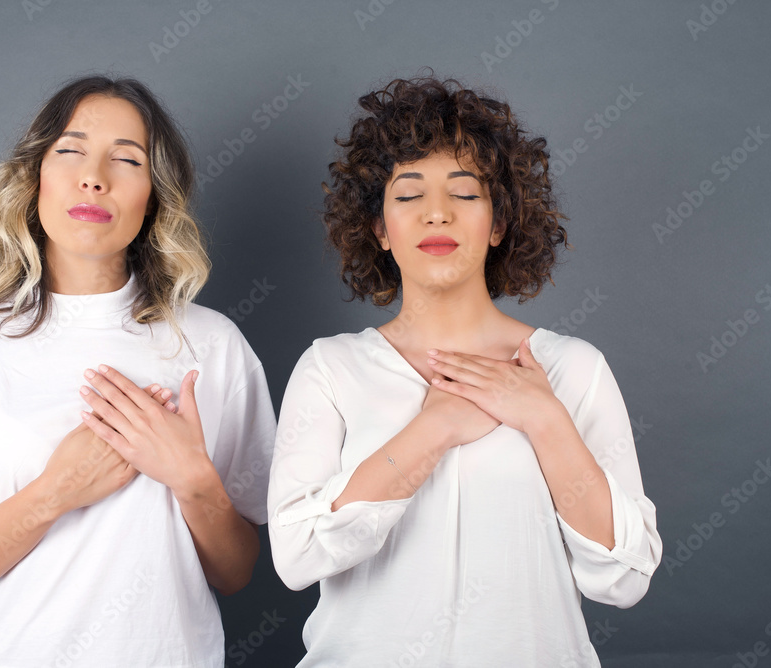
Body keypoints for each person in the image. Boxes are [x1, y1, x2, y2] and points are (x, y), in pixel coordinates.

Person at [0, 75, 276, 667]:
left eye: (127, 159)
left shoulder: (213, 346)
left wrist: (191, 478)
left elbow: (237, 571)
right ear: (34, 177)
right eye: (70, 150)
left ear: (154, 196)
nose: (95, 176)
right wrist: (54, 493)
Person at [267, 75, 662, 666]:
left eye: (465, 193)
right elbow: (297, 556)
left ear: (499, 223)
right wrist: (435, 428)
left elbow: (624, 576)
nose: (437, 215)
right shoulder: (331, 369)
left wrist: (545, 419)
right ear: (378, 228)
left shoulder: (573, 369)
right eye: (408, 196)